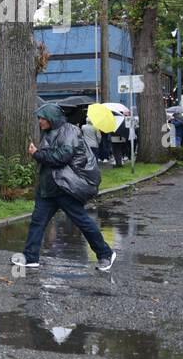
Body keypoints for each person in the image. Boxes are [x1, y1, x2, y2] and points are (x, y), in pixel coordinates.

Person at [20, 103, 115, 271]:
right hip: (49, 187)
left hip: (65, 187)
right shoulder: (50, 132)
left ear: (51, 118)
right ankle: (30, 257)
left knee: (82, 221)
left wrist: (37, 154)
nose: (40, 121)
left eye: (42, 118)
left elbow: (61, 157)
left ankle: (105, 253)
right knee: (37, 221)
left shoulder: (70, 131)